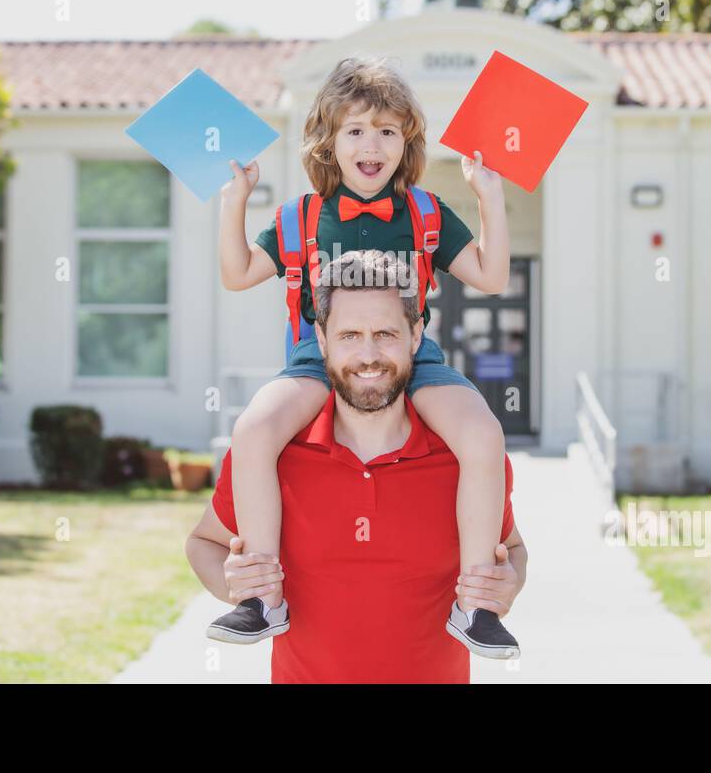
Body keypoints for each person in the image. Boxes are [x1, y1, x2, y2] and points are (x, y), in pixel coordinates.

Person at [212, 55, 518, 657]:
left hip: (413, 353)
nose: (371, 144)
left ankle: (477, 606)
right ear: (330, 141)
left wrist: (490, 197)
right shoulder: (300, 215)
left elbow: (491, 274)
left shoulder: (426, 211)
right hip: (314, 354)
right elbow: (238, 272)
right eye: (355, 130)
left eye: (387, 131)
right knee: (252, 431)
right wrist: (234, 200)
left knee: (482, 434)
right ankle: (260, 597)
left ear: (407, 142)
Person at [185, 250, 527, 682]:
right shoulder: (271, 457)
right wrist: (236, 586)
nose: (368, 355)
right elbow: (203, 544)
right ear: (322, 340)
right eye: (349, 335)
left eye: (385, 334)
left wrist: (507, 584)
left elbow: (512, 549)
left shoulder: (463, 456)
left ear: (416, 336)